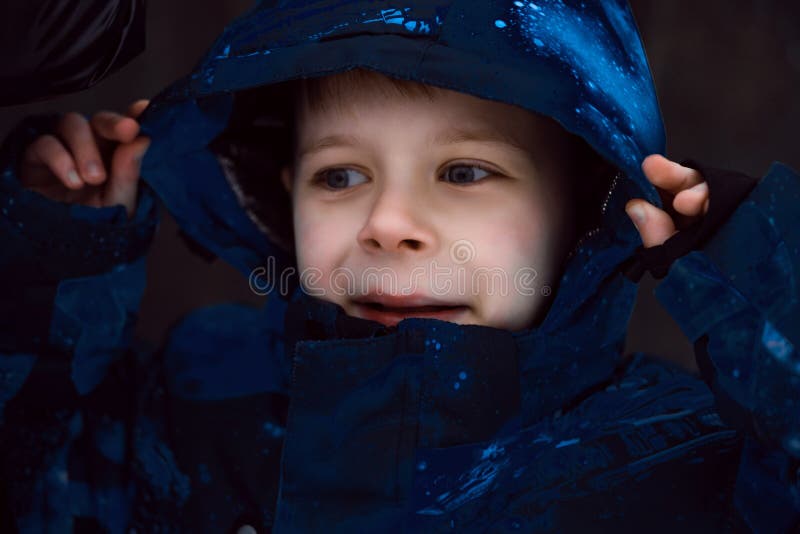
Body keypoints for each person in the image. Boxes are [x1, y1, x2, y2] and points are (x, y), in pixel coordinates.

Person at [1, 0, 798, 532]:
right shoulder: (193, 400)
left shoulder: (684, 455)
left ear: (591, 210)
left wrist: (774, 291)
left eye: (464, 172)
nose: (385, 224)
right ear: (284, 195)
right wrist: (49, 262)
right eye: (339, 176)